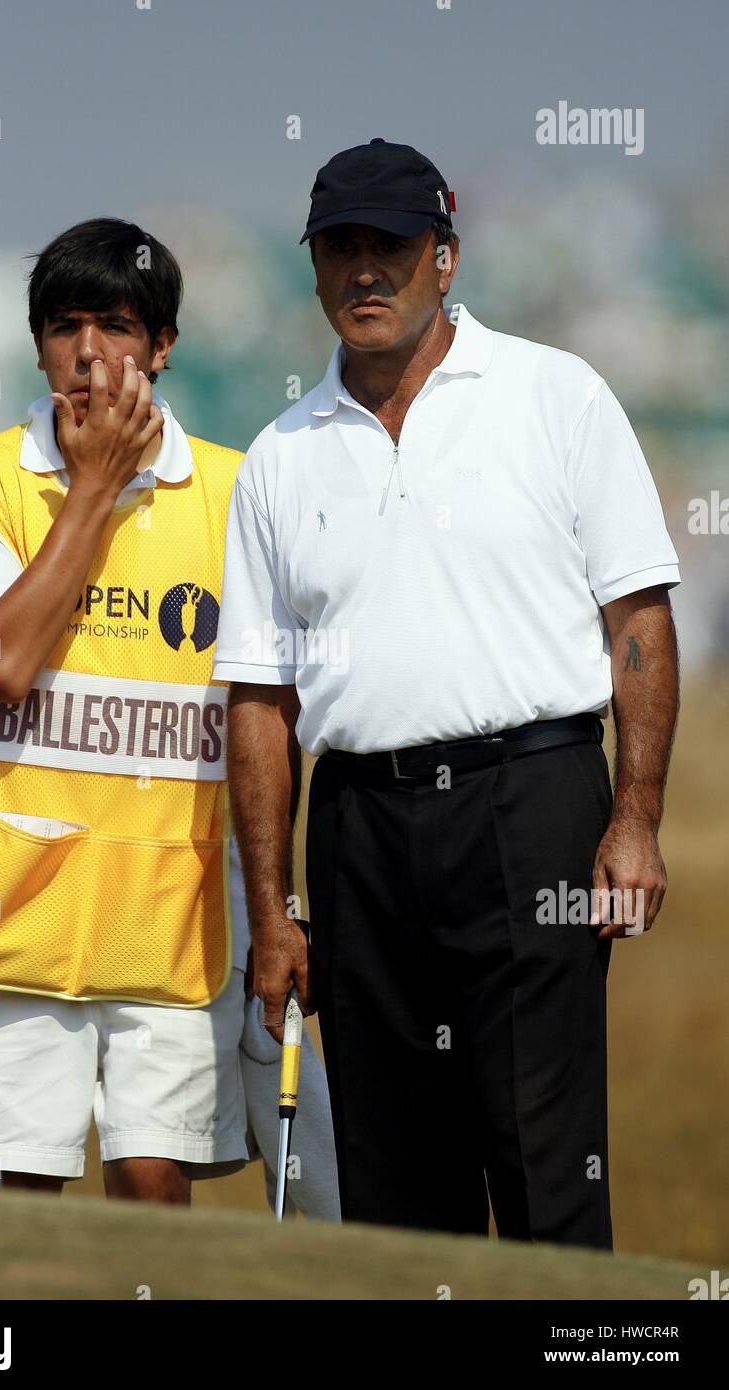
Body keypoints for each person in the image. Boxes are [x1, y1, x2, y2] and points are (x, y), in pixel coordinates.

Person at [212, 139, 681, 1246]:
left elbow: (638, 628)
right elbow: (259, 705)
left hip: (530, 804)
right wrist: (273, 911)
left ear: (446, 256)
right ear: (315, 266)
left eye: (393, 246)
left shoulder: (552, 395)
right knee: (391, 1180)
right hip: (360, 832)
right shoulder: (278, 457)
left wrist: (635, 818)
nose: (365, 271)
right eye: (341, 248)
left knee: (542, 1151)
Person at [0, 215, 339, 1215]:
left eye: (117, 324)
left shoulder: (236, 493)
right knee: (9, 1202)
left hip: (176, 921)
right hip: (9, 914)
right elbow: (7, 662)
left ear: (162, 345)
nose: (91, 354)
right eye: (66, 326)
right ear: (37, 343)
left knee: (152, 1197)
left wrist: (274, 911)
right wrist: (94, 489)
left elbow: (273, 717)